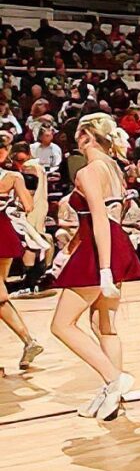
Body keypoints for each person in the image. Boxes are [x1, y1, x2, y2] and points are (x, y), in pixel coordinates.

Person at [49, 113, 140, 420]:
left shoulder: (88, 172)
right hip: (116, 245)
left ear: (86, 136)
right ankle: (112, 396)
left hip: (101, 250)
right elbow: (97, 219)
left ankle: (113, 379)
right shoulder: (113, 168)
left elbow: (100, 221)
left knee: (61, 325)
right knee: (105, 326)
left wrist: (103, 269)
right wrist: (68, 249)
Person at [0, 140, 44, 376]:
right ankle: (28, 340)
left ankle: (28, 340)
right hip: (4, 232)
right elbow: (27, 206)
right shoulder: (13, 177)